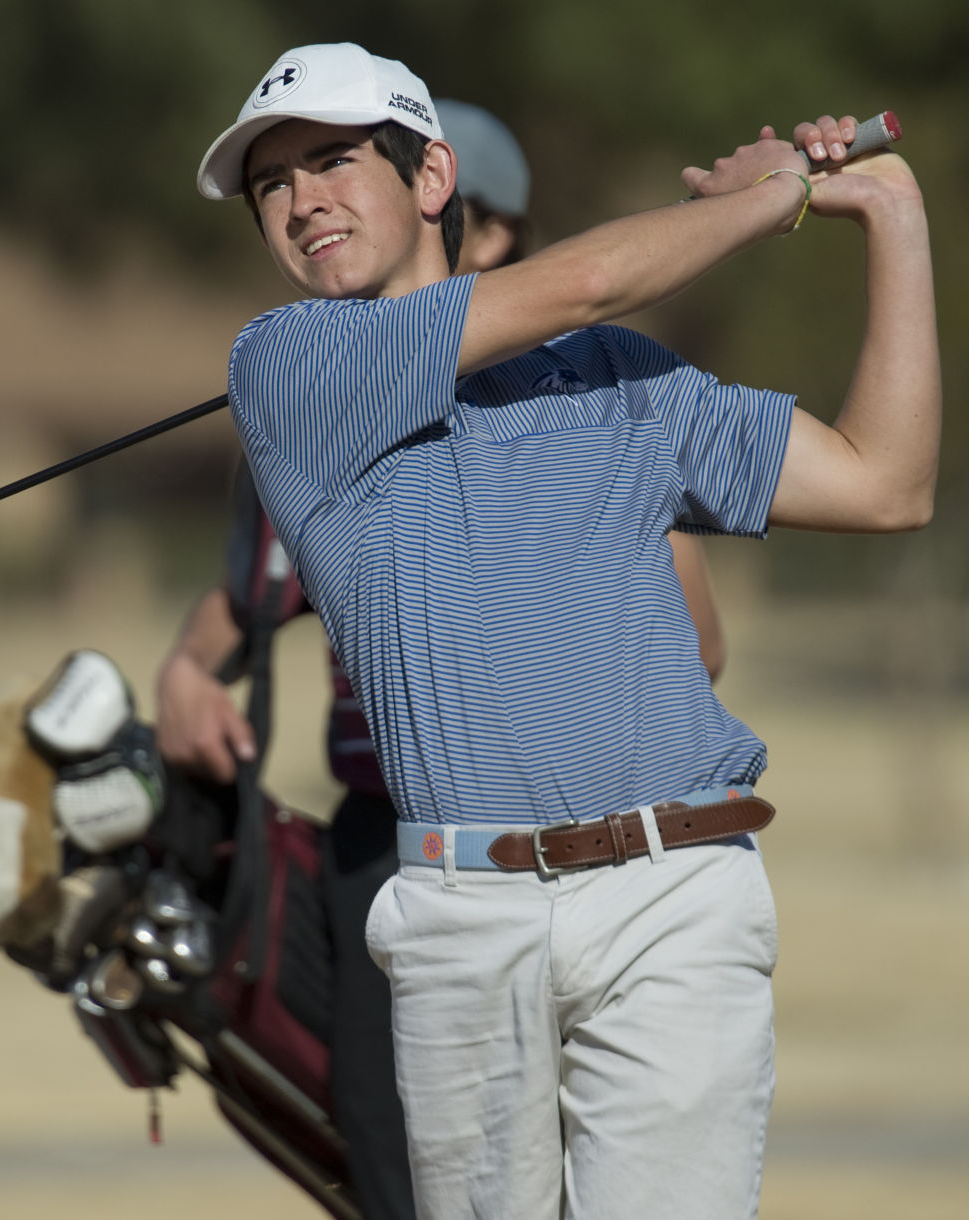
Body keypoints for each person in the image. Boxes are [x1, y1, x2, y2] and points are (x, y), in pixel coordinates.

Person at [193, 40, 939, 1220]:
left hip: (674, 894)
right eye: (270, 186)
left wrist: (886, 214)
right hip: (458, 916)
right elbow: (583, 280)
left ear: (430, 176)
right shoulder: (286, 368)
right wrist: (771, 196)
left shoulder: (615, 376)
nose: (300, 203)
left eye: (331, 161)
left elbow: (883, 483)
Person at [157, 98, 726, 1220]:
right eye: (286, 182)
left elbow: (696, 643)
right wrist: (184, 669)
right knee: (395, 1169)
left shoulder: (586, 406)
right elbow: (242, 603)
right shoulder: (322, 408)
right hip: (394, 845)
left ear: (476, 228)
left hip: (580, 859)